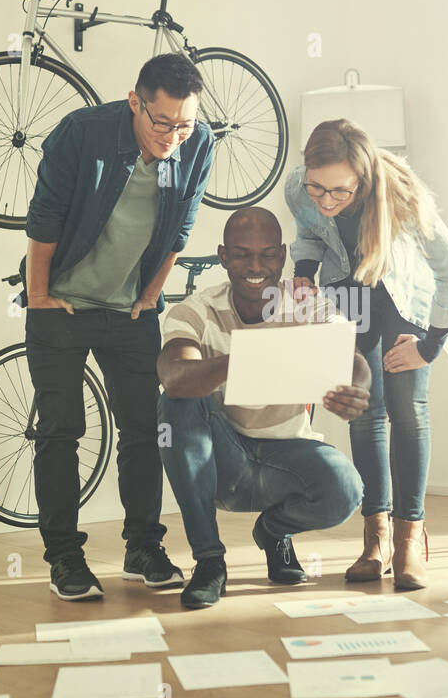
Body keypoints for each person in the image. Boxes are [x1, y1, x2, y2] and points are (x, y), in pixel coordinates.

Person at [20, 53, 214, 601]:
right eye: (163, 123)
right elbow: (45, 218)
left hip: (129, 309)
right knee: (61, 431)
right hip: (61, 303)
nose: (175, 136)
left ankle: (143, 547)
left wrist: (150, 296)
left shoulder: (197, 144)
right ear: (136, 102)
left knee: (144, 429)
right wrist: (38, 298)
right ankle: (65, 558)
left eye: (186, 124)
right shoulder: (83, 134)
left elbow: (182, 227)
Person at [284, 119, 448, 589]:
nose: (326, 201)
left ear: (363, 180)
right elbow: (311, 232)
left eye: (340, 193)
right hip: (349, 295)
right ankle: (377, 537)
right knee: (364, 412)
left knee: (408, 411)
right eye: (317, 188)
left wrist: (429, 346)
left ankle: (411, 537)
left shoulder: (400, 196)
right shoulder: (299, 188)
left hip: (402, 296)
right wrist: (305, 271)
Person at [157, 207, 371, 609]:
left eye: (268, 254)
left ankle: (274, 532)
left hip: (286, 459)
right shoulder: (195, 310)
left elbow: (353, 360)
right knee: (176, 402)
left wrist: (358, 388)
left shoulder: (308, 303)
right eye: (241, 254)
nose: (256, 266)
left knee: (346, 489)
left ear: (284, 254)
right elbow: (174, 375)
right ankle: (209, 561)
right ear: (223, 256)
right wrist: (246, 357)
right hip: (222, 462)